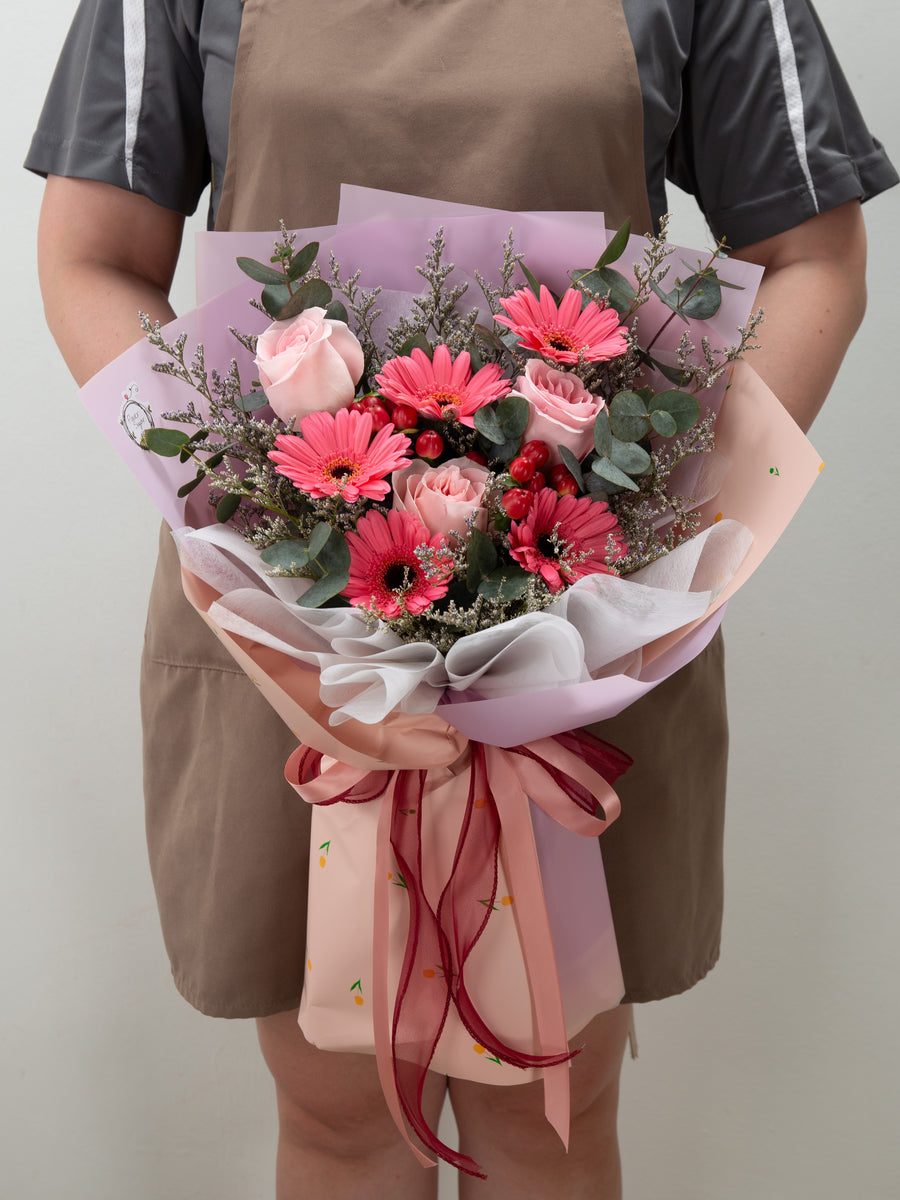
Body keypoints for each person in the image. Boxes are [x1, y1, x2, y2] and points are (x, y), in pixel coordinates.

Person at [27, 1, 896, 1196]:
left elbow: (816, 254)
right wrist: (264, 546)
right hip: (282, 631)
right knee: (337, 1111)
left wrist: (647, 543)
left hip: (589, 618)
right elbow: (92, 252)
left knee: (549, 1110)